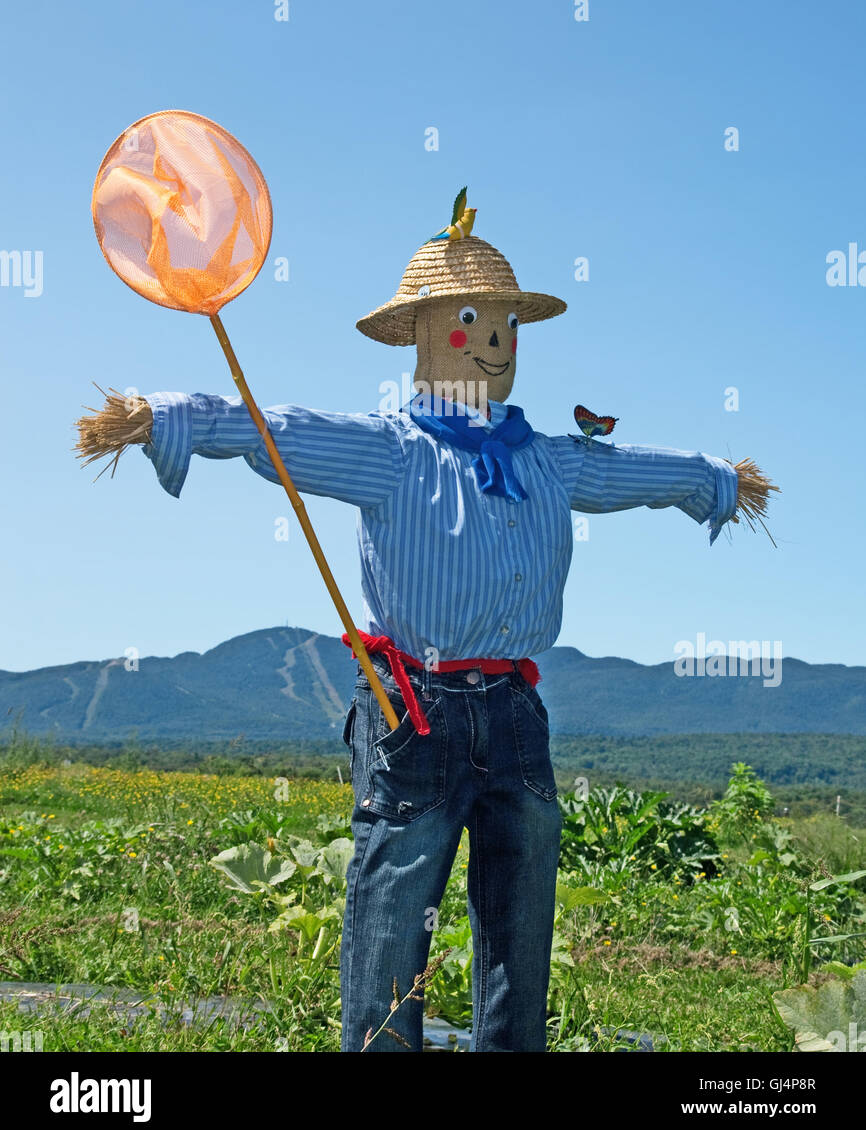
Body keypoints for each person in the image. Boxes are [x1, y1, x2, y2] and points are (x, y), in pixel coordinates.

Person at [76, 192, 775, 1053]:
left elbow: (632, 471)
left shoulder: (547, 458)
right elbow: (275, 429)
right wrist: (168, 415)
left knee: (521, 913)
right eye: (472, 319)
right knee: (395, 903)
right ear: (422, 333)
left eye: (506, 325)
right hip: (417, 706)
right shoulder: (392, 449)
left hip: (516, 713)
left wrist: (714, 480)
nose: (492, 339)